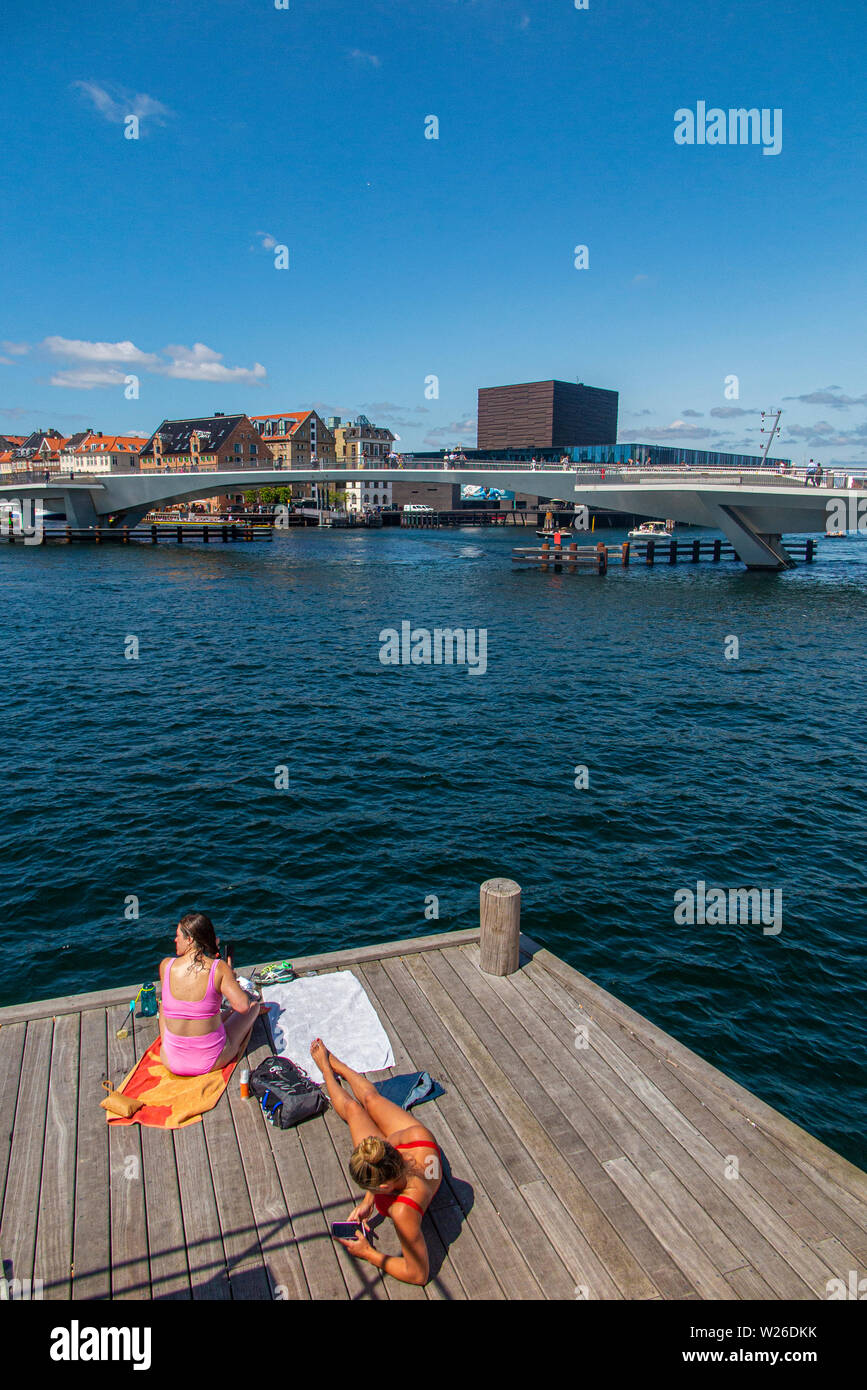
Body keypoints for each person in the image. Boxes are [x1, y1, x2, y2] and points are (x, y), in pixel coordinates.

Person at [310, 1039, 442, 1286]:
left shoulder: (403, 1211)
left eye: (369, 1189)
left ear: (383, 1187)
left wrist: (368, 1253)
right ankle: (338, 1068)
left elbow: (418, 1274)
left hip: (418, 1161)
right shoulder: (398, 1145)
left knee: (354, 1111)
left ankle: (328, 1070)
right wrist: (368, 1201)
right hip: (420, 1146)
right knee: (370, 1100)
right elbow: (389, 1141)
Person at [158, 911, 265, 1076]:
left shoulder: (166, 965)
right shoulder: (218, 968)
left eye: (177, 935)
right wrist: (230, 976)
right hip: (210, 1060)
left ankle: (170, 1044)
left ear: (190, 939)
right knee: (254, 1007)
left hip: (171, 1061)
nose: (175, 940)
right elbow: (242, 1006)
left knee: (163, 1006)